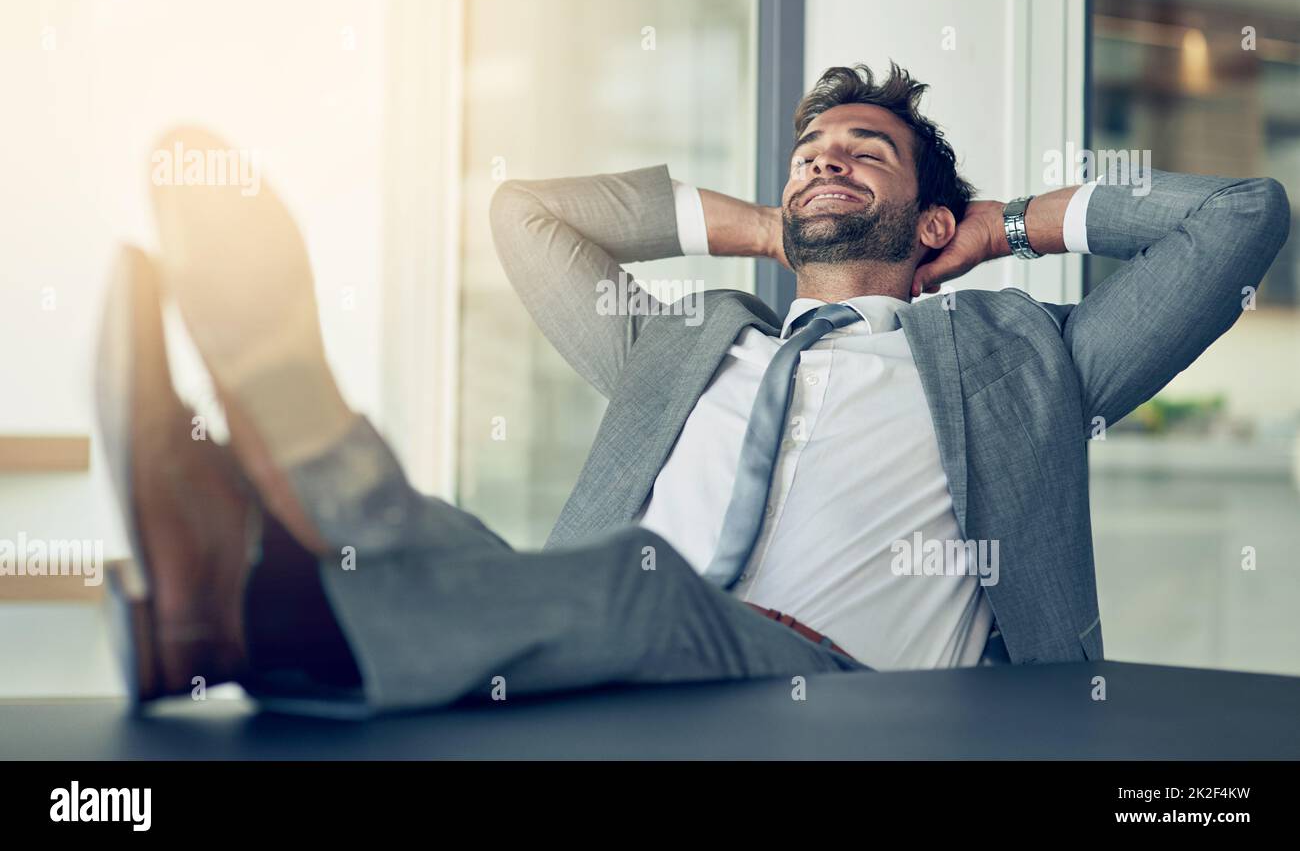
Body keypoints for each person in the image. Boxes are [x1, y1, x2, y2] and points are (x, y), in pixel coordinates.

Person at [98, 62, 1290, 717]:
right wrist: (770, 227)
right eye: (808, 152)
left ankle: (280, 493)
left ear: (930, 216)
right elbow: (530, 217)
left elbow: (1244, 220)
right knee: (470, 550)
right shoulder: (680, 348)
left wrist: (1005, 229)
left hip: (847, 703)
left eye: (864, 151)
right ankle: (230, 601)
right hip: (606, 675)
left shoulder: (1026, 360)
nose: (827, 156)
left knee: (635, 580)